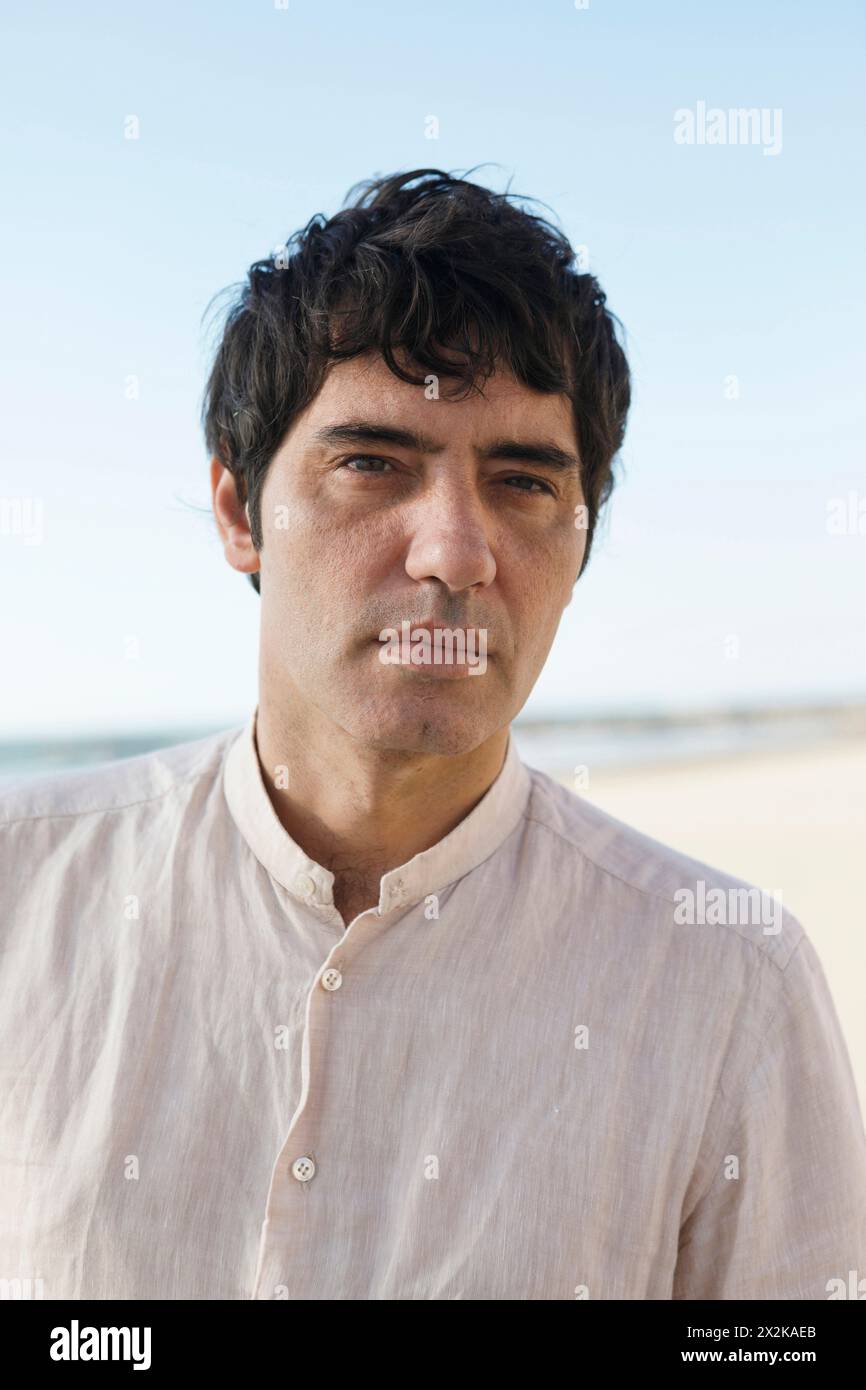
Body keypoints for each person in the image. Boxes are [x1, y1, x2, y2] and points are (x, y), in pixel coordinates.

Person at [1, 169, 864, 1301]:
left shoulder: (726, 984)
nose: (454, 553)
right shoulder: (25, 888)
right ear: (236, 509)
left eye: (520, 481)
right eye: (372, 463)